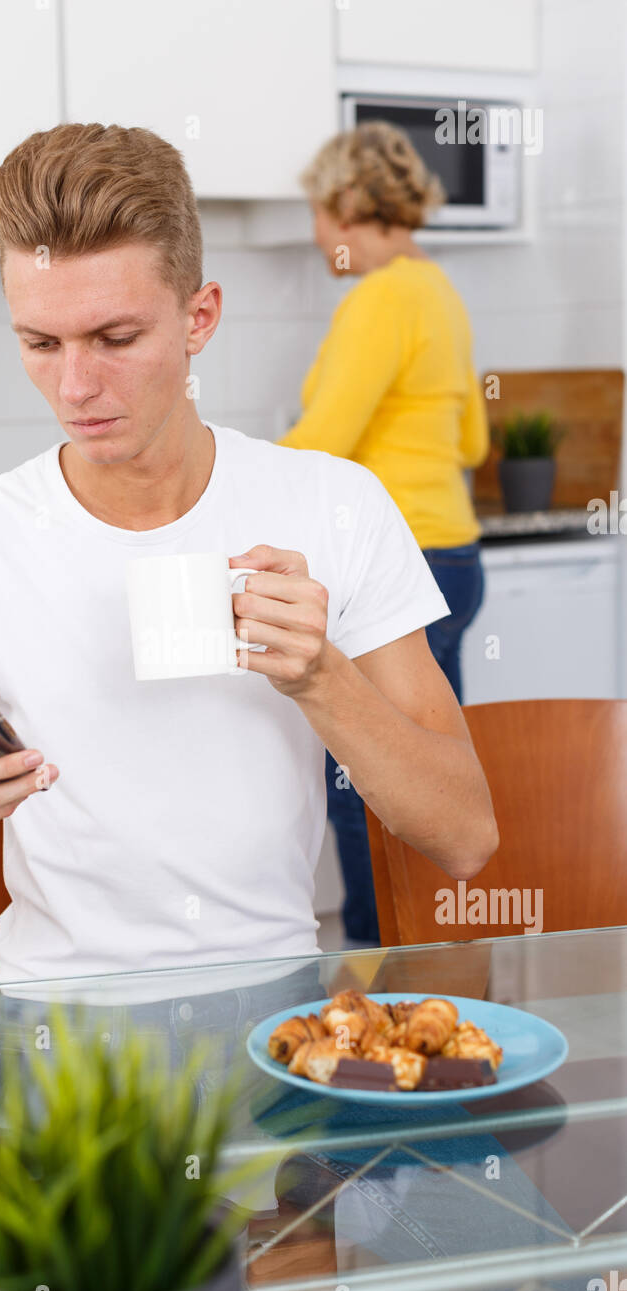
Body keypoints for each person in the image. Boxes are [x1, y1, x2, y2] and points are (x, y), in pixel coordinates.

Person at [0, 122, 497, 991]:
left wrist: (321, 675)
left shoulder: (334, 505)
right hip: (58, 1040)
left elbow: (465, 836)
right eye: (41, 344)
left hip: (273, 1026)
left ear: (199, 316)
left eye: (116, 339)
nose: (76, 388)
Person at [279, 121, 490, 946]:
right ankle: (444, 960)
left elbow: (322, 437)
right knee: (437, 770)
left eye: (318, 212)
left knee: (363, 771)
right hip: (457, 556)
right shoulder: (439, 289)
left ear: (347, 205)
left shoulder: (379, 298)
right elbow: (471, 442)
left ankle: (383, 967)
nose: (316, 231)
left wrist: (231, 479)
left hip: (394, 565)